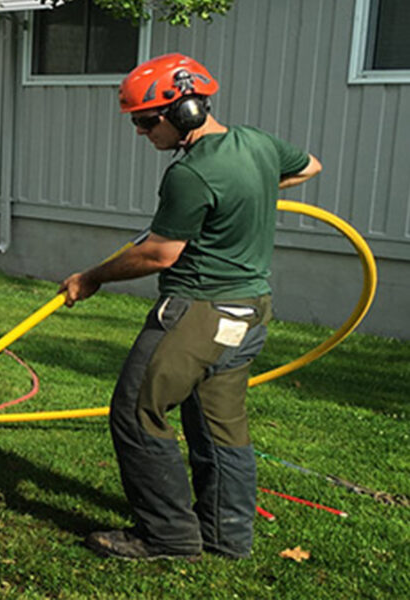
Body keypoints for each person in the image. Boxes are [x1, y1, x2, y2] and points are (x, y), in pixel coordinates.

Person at [59, 53, 322, 560]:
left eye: (145, 120)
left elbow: (160, 253)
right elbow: (310, 166)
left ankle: (167, 535)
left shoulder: (192, 174)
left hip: (197, 313)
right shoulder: (259, 144)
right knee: (220, 426)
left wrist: (91, 277)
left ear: (186, 112)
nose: (139, 131)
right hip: (250, 312)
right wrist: (251, 194)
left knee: (137, 414)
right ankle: (227, 537)